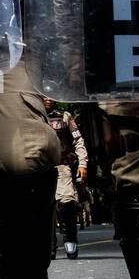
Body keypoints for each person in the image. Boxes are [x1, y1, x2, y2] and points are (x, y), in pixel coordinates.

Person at [44, 98, 88, 260]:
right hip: (38, 167)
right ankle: (49, 246)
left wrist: (83, 163)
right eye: (43, 96)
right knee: (44, 208)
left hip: (62, 166)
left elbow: (78, 140)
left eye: (50, 96)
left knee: (67, 202)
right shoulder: (31, 116)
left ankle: (70, 240)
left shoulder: (65, 117)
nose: (47, 99)